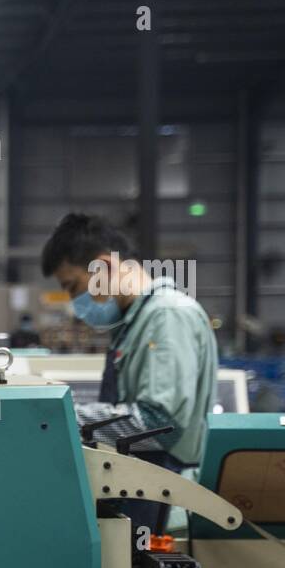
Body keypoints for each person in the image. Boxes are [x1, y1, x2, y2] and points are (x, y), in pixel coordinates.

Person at [41, 212, 217, 532]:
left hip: (165, 500)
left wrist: (59, 417)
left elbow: (158, 422)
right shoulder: (132, 323)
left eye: (73, 286)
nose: (74, 302)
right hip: (141, 488)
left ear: (103, 267)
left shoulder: (167, 316)